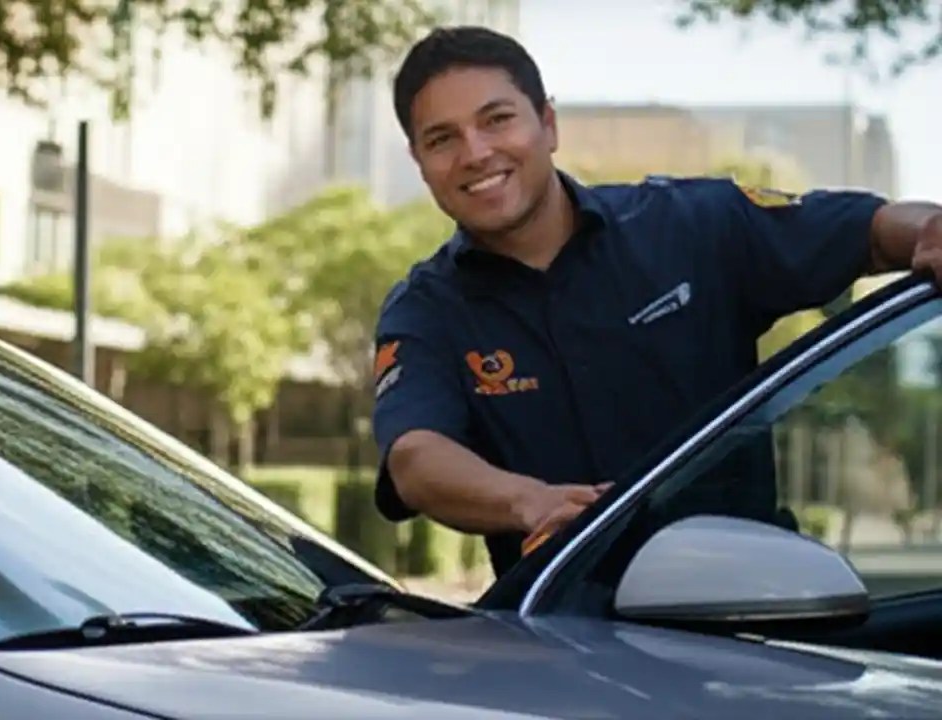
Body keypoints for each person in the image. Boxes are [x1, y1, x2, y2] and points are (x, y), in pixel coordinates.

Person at [371, 25, 942, 577]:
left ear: (547, 123)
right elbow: (418, 459)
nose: (475, 153)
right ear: (419, 161)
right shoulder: (425, 310)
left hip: (752, 612)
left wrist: (929, 230)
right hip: (558, 634)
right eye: (442, 139)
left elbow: (869, 229)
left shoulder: (694, 226)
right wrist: (531, 502)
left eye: (497, 120)